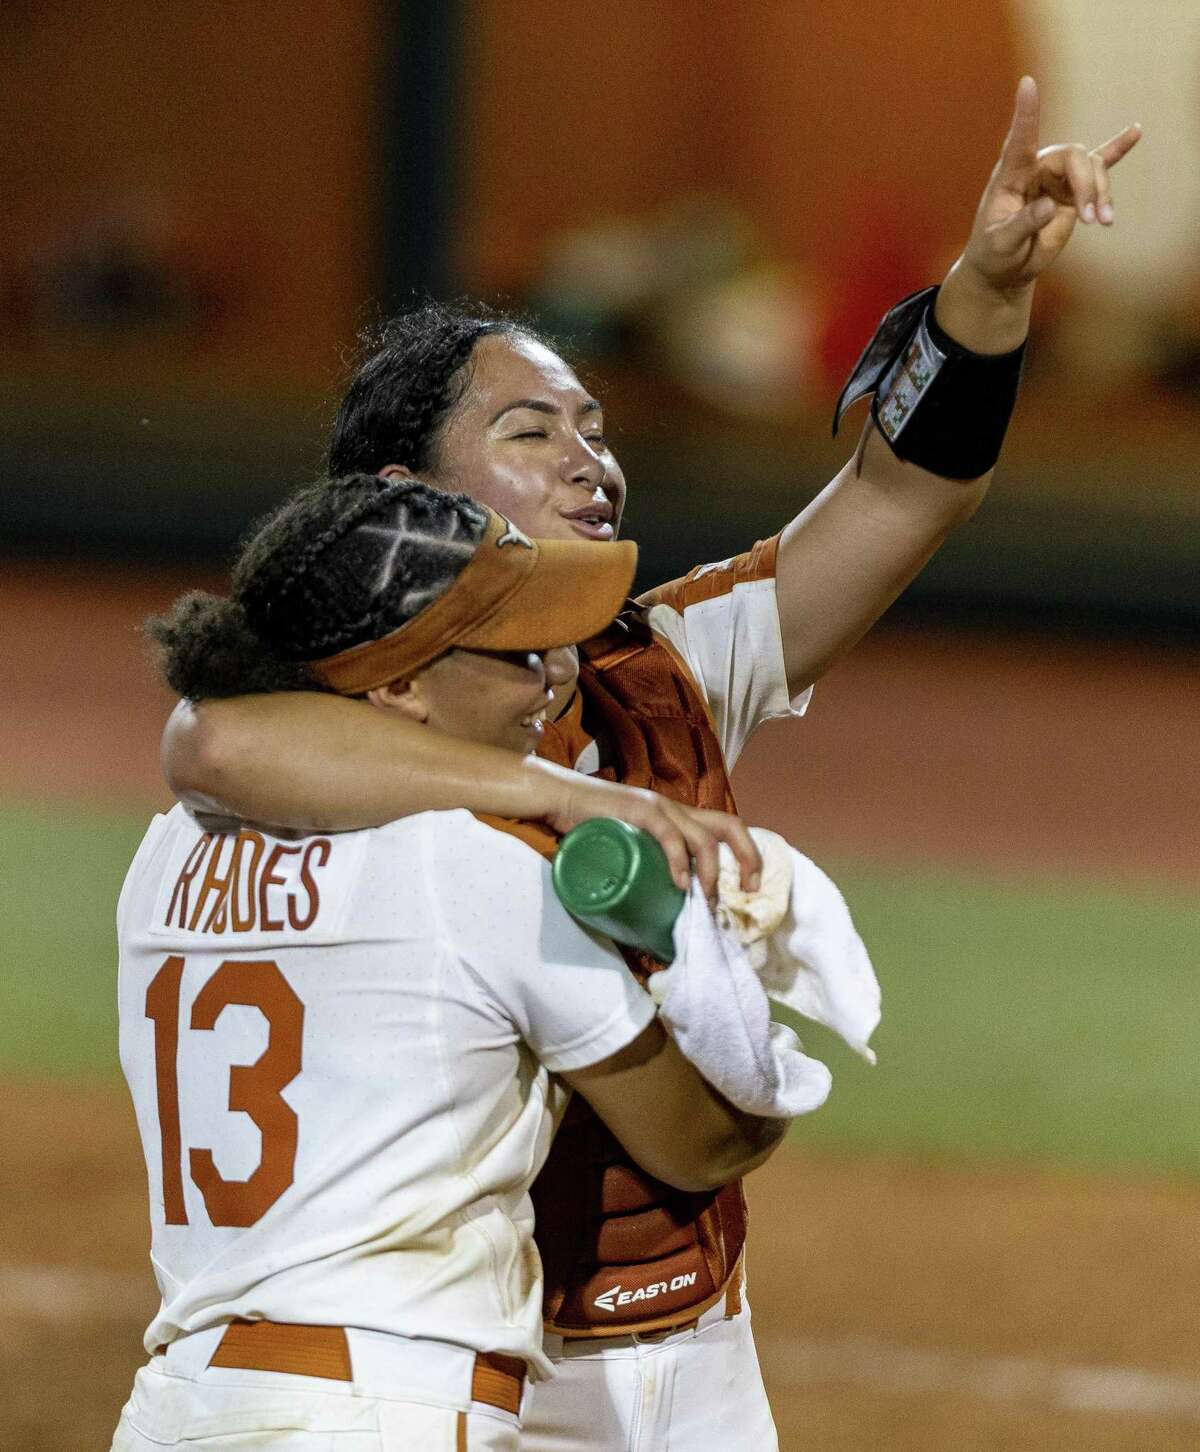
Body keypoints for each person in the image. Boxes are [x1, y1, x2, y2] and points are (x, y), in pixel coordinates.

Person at [159, 79, 1140, 1451]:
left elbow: (899, 492)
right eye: (532, 431)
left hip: (695, 1344)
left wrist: (981, 293)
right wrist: (560, 798)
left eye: (597, 429)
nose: (591, 461)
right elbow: (209, 731)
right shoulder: (322, 729)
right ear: (401, 496)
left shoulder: (655, 663)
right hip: (470, 1351)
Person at [112, 474, 787, 1452]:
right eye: (516, 654)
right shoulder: (479, 864)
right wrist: (726, 979)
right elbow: (701, 1142)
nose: (554, 675)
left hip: (179, 1409)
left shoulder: (168, 850)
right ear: (396, 683)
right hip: (383, 1413)